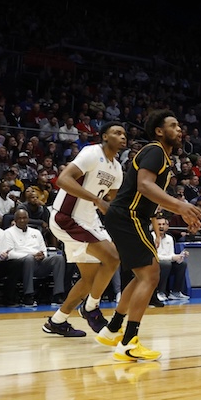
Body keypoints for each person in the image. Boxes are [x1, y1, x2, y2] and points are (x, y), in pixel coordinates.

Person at [98, 110, 201, 362]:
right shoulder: (155, 150)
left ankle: (113, 329)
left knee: (143, 275)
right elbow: (144, 185)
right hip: (128, 216)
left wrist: (178, 213)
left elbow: (152, 196)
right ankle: (128, 343)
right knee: (151, 274)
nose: (179, 129)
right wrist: (180, 206)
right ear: (159, 130)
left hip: (130, 217)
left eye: (179, 126)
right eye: (173, 125)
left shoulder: (163, 157)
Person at [45, 122, 126, 337]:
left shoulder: (117, 169)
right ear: (105, 136)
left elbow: (114, 201)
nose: (122, 137)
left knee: (90, 279)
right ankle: (91, 308)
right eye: (117, 133)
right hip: (67, 218)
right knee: (113, 258)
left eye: (124, 134)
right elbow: (63, 180)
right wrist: (96, 200)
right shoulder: (91, 153)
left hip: (89, 221)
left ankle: (57, 321)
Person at [5, 208, 66, 306]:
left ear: (28, 219)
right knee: (29, 259)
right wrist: (30, 255)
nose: (22, 220)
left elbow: (44, 250)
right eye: (19, 218)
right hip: (22, 264)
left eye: (24, 218)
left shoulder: (36, 232)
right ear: (15, 220)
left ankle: (57, 294)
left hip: (39, 262)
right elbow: (9, 254)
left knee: (58, 258)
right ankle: (28, 295)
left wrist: (43, 255)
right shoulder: (8, 233)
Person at [154, 217, 190, 301]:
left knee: (182, 264)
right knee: (166, 264)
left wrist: (180, 255)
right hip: (154, 263)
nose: (161, 226)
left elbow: (171, 254)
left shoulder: (170, 238)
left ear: (167, 226)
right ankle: (160, 292)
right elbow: (155, 256)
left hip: (167, 263)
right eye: (159, 224)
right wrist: (171, 258)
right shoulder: (151, 236)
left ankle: (176, 292)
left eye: (163, 224)